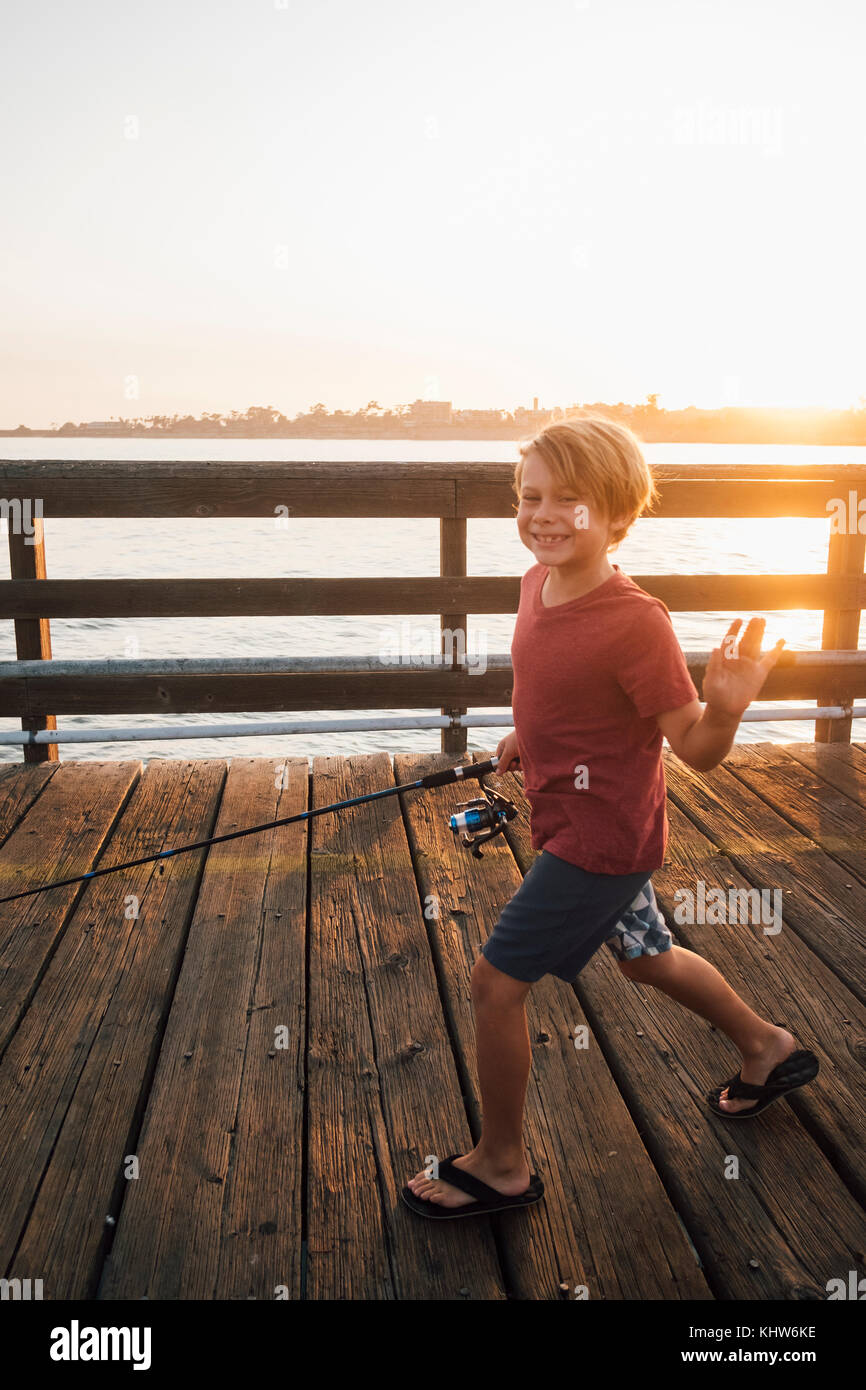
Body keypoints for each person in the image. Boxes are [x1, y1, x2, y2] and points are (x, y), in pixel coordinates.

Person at [402, 413, 819, 1220]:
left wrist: (727, 706)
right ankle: (768, 1045)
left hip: (601, 845)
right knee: (646, 957)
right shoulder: (536, 582)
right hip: (567, 820)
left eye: (572, 500)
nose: (544, 514)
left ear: (620, 515)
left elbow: (695, 748)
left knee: (495, 984)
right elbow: (558, 682)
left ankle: (502, 1164)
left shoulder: (637, 622)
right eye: (531, 496)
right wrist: (530, 731)